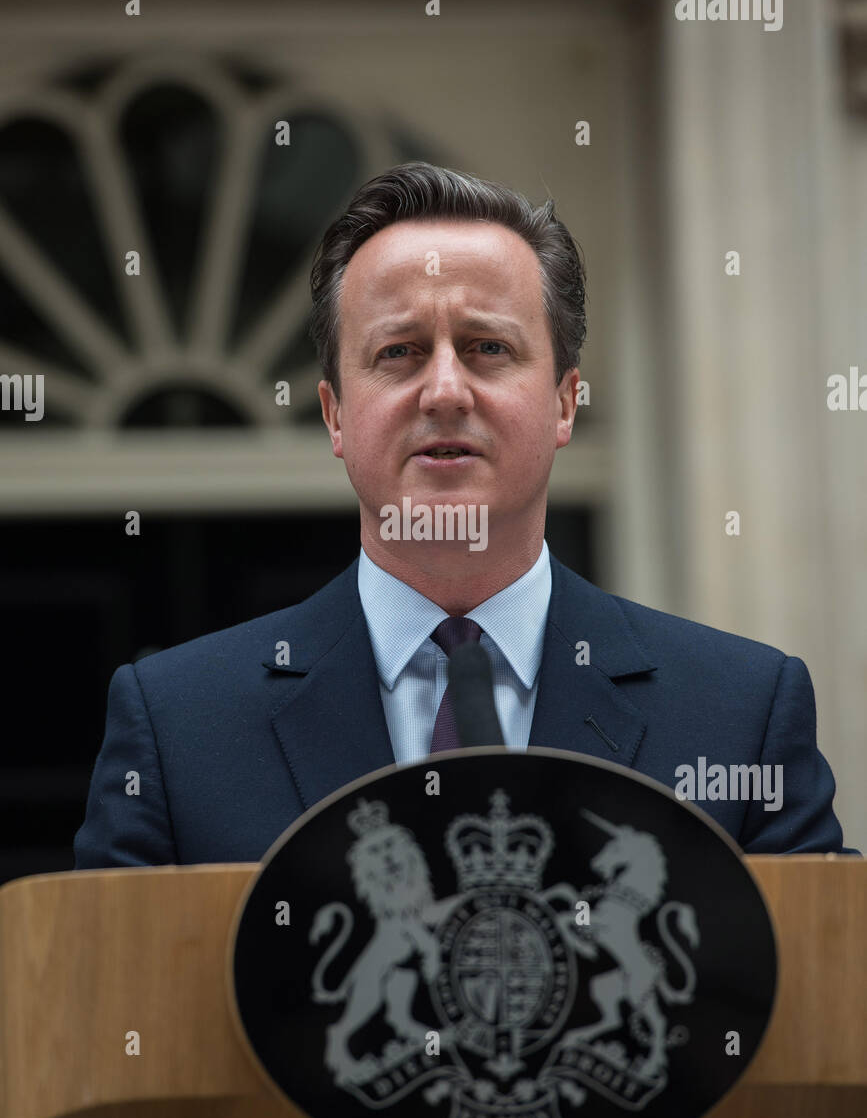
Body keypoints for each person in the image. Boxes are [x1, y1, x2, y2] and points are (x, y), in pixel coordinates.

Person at [74, 162, 857, 866]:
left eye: (486, 348)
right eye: (398, 352)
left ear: (563, 402)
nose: (444, 390)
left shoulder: (739, 710)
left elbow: (814, 1004)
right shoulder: (178, 728)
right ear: (334, 415)